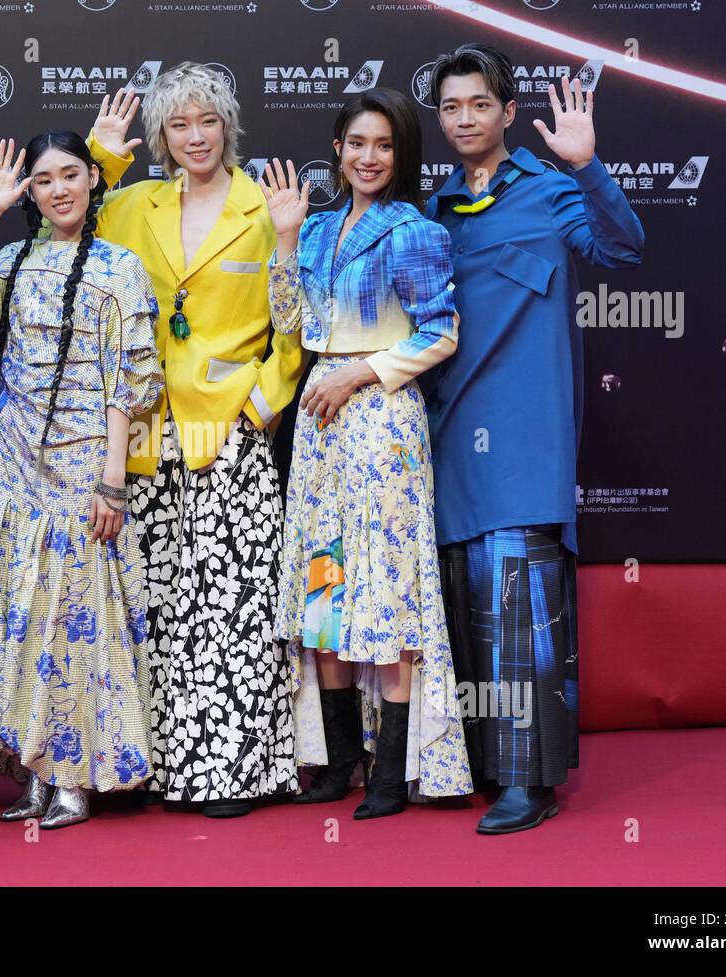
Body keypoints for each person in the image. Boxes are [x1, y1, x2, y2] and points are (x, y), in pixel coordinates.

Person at [424, 43, 645, 833]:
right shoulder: (435, 214)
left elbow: (622, 248)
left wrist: (589, 167)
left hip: (528, 433)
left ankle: (530, 780)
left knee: (521, 598)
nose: (463, 119)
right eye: (450, 107)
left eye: (479, 104)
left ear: (508, 112)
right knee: (470, 595)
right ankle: (485, 765)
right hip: (451, 432)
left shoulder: (553, 191)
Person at [77, 67, 309, 817]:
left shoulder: (263, 203)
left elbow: (295, 323)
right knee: (162, 605)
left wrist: (263, 404)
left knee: (231, 607)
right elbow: (64, 232)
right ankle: (158, 767)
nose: (196, 136)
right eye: (179, 126)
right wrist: (102, 159)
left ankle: (232, 774)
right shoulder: (129, 205)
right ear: (161, 138)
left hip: (227, 432)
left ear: (228, 125)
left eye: (207, 121)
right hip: (143, 431)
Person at [0, 132, 163, 830]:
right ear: (28, 192)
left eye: (70, 175)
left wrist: (113, 480)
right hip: (9, 464)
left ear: (94, 179)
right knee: (18, 617)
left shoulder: (122, 268)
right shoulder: (15, 256)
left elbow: (133, 380)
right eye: (42, 181)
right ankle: (30, 770)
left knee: (71, 620)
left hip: (84, 465)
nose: (58, 189)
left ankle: (75, 777)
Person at [261, 88, 473, 819]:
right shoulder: (315, 231)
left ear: (401, 153)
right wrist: (284, 241)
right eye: (357, 143)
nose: (368, 157)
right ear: (338, 148)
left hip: (380, 412)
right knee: (327, 579)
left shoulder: (412, 230)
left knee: (384, 581)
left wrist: (363, 372)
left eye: (383, 145)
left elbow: (442, 332)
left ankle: (391, 767)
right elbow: (286, 323)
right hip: (321, 418)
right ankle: (341, 757)